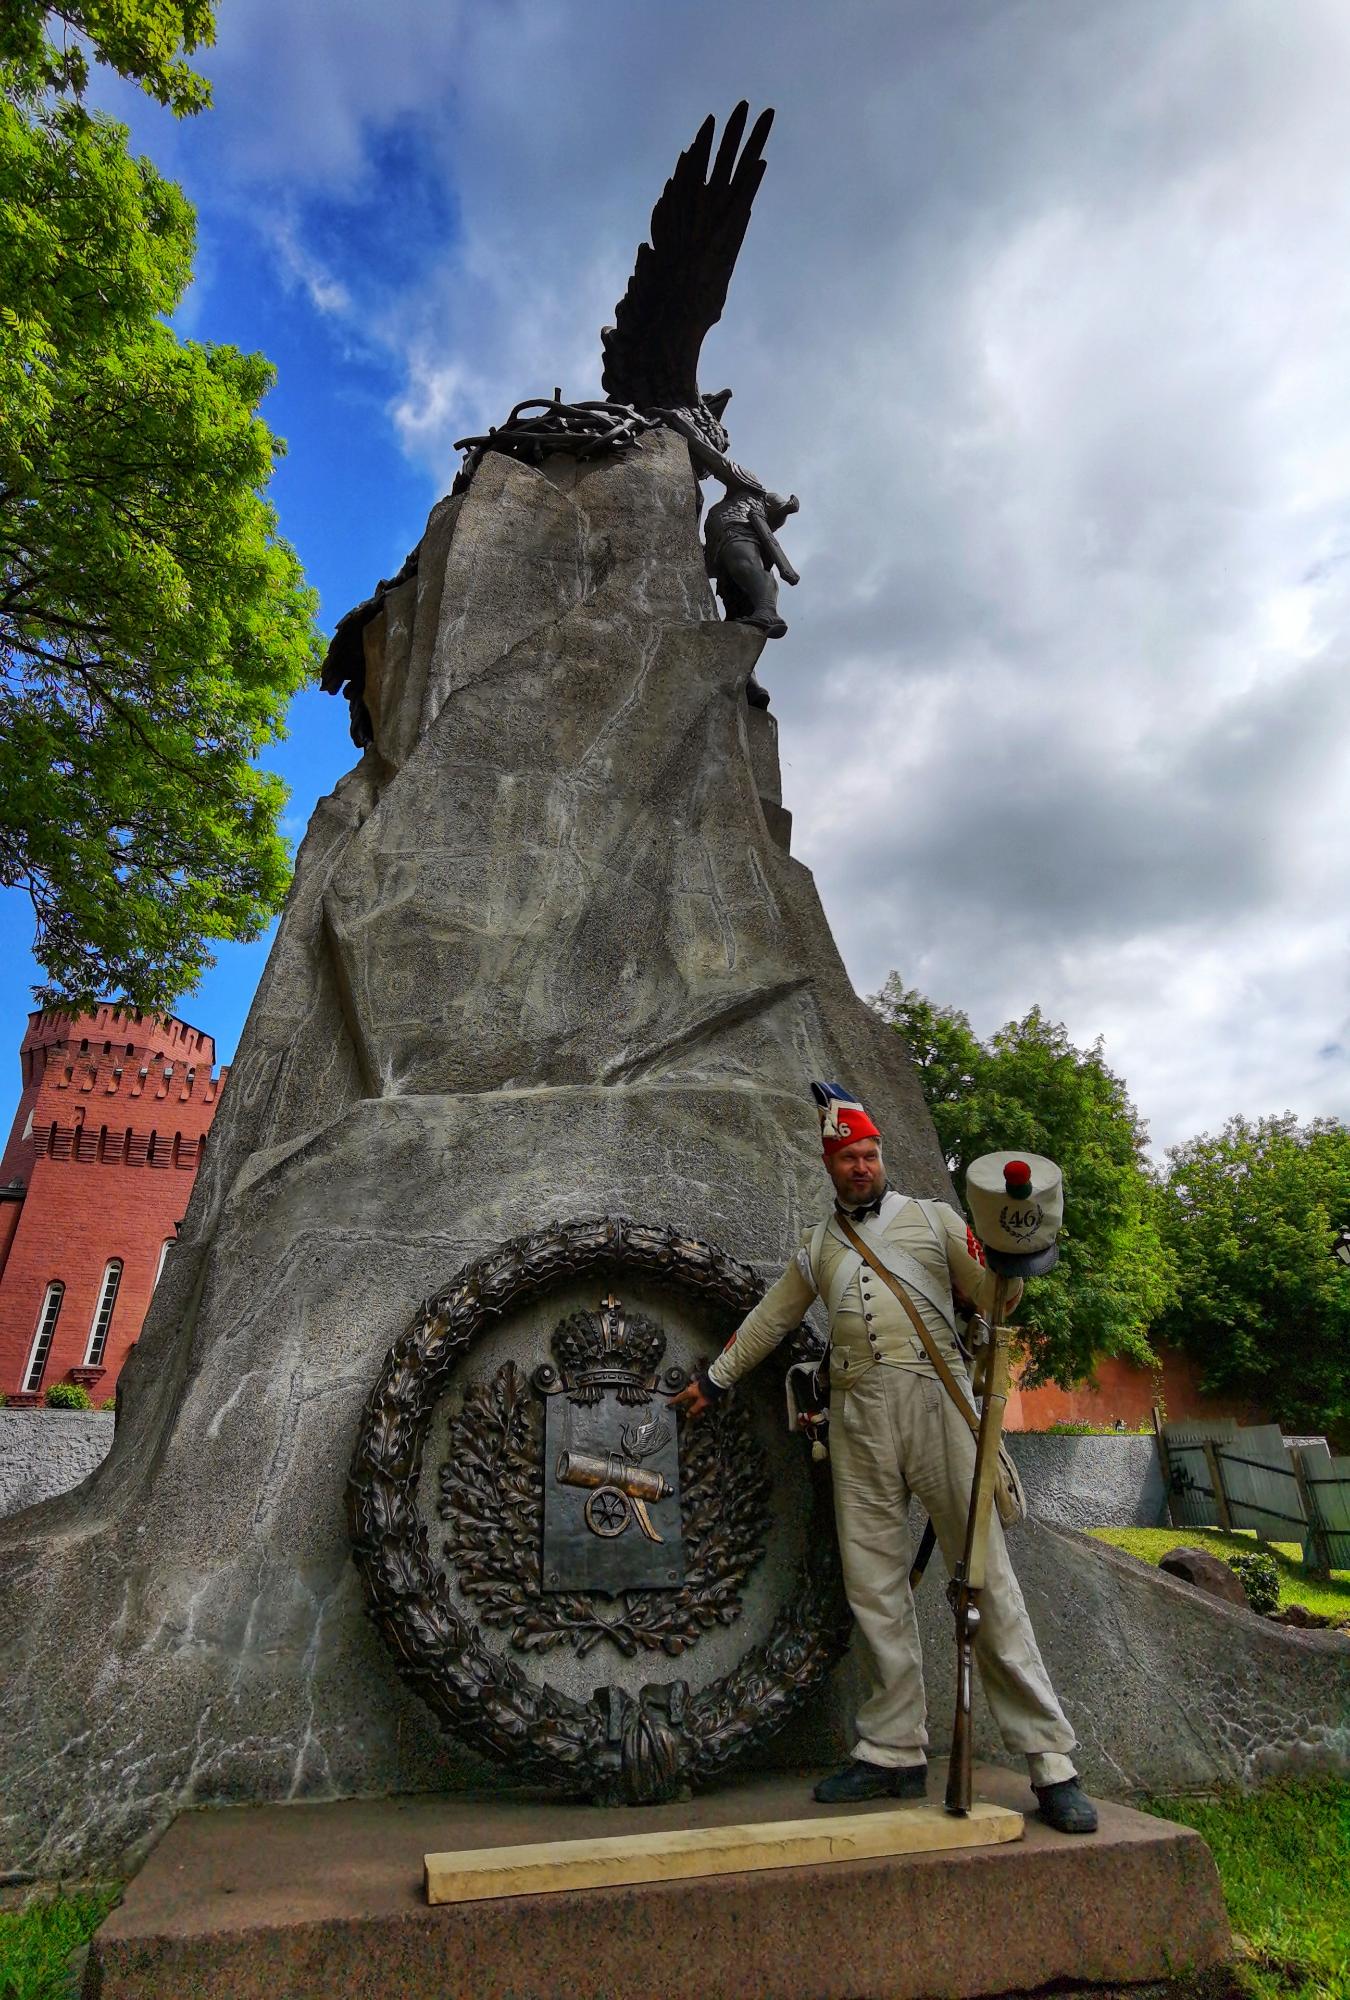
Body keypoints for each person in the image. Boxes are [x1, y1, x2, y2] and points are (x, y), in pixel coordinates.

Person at [670, 1082, 1098, 1834]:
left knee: (986, 1580)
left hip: (938, 1405)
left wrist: (1011, 1253)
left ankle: (1050, 1761)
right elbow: (772, 1316)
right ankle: (893, 1749)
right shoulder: (819, 1247)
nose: (860, 1166)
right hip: (855, 1419)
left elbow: (997, 1302)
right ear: (829, 1165)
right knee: (874, 1588)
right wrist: (715, 1378)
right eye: (847, 1157)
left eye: (868, 1154)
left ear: (881, 1156)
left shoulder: (935, 1221)